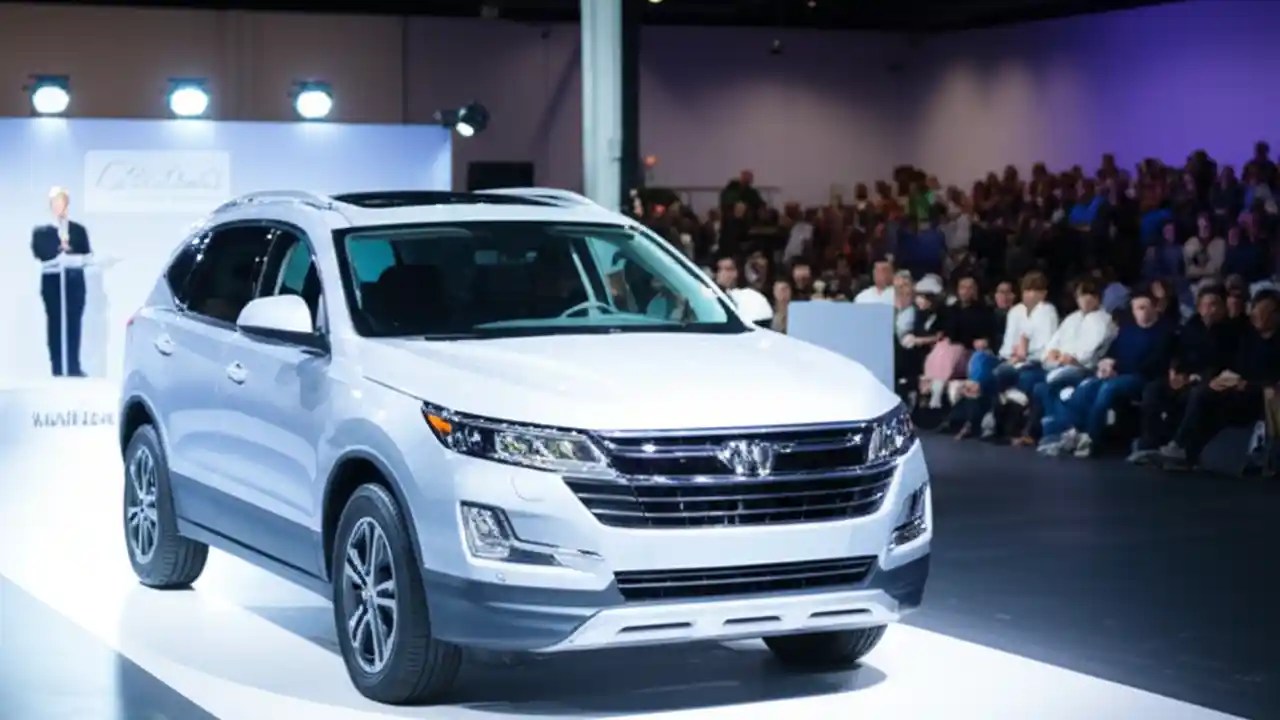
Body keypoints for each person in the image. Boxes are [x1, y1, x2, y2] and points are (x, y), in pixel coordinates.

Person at [1039, 291, 1174, 457]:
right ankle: (1070, 431)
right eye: (1137, 309)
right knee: (1087, 386)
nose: (1142, 312)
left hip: (1142, 378)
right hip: (1118, 373)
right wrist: (1107, 363)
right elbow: (1112, 352)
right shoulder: (1128, 330)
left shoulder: (1164, 332)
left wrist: (1116, 367)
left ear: (1155, 308)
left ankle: (1091, 438)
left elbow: (1152, 363)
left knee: (1107, 389)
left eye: (1145, 308)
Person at [1157, 290, 1280, 469]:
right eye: (1255, 310)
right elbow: (1237, 365)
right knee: (1206, 394)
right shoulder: (1248, 337)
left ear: (1276, 315)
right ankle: (1183, 451)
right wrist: (1226, 378)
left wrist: (1249, 384)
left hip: (1264, 396)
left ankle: (1182, 448)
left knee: (1206, 397)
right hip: (1239, 389)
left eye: (1264, 311)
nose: (1257, 315)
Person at [1129, 285, 1240, 464]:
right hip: (1186, 376)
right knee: (1153, 389)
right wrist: (1175, 372)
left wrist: (1195, 377)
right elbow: (1179, 353)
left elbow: (1226, 363)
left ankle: (1180, 446)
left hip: (1213, 381)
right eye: (1204, 305)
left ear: (1223, 307)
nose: (1209, 310)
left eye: (1214, 305)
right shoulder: (1193, 325)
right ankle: (1149, 443)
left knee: (1197, 394)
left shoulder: (1232, 330)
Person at [31, 186, 92, 377]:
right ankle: (57, 368)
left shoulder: (78, 230)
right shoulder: (42, 231)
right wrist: (59, 250)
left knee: (74, 324)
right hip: (53, 283)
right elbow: (40, 252)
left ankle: (73, 367)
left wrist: (70, 250)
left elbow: (86, 253)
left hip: (74, 283)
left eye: (61, 202)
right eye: (55, 202)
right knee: (55, 324)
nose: (59, 206)